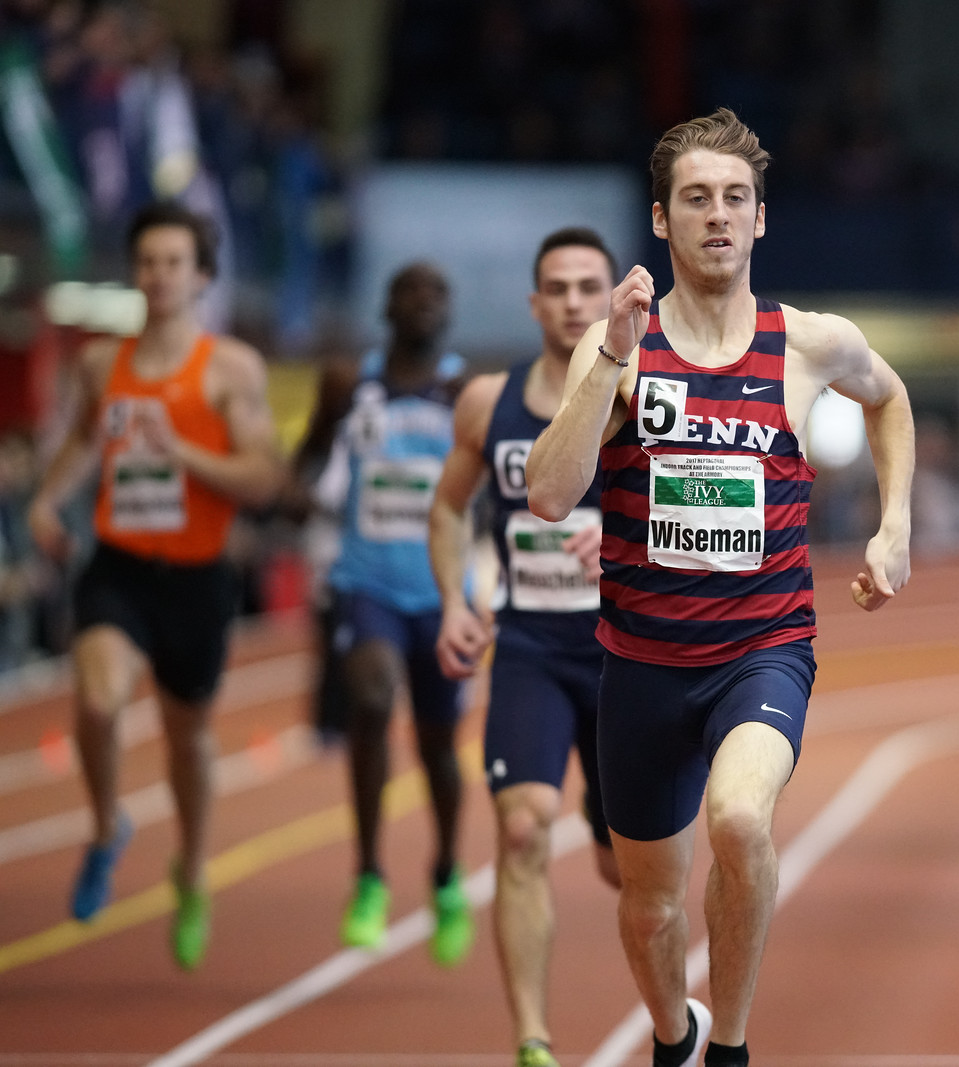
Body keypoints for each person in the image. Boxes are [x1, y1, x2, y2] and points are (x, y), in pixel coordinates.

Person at [523, 108, 915, 1067]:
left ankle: (729, 1049)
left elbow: (891, 399)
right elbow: (546, 493)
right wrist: (610, 354)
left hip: (762, 651)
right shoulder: (620, 348)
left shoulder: (810, 343)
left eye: (735, 198)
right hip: (642, 665)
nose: (718, 216)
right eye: (696, 199)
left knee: (740, 818)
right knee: (649, 902)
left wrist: (895, 523)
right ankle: (672, 1035)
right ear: (661, 220)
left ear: (761, 218)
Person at [26, 200, 285, 969]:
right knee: (99, 698)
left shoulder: (232, 368)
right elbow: (80, 440)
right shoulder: (100, 363)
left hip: (198, 580)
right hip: (120, 566)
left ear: (201, 276)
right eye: (148, 262)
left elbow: (264, 479)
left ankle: (193, 868)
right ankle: (108, 826)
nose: (159, 275)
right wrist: (46, 497)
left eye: (175, 262)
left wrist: (184, 454)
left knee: (187, 738)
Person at [429, 228, 622, 1067]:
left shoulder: (648, 397)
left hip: (629, 651)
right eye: (560, 287)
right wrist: (452, 602)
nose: (576, 301)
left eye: (591, 286)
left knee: (632, 870)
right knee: (520, 831)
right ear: (535, 303)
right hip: (533, 650)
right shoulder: (487, 402)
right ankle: (533, 1041)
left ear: (616, 297)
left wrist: (621, 532)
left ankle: (609, 819)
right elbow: (445, 507)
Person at [293, 262, 473, 965]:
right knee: (369, 697)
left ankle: (447, 873)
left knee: (437, 745)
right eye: (411, 292)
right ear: (388, 306)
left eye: (437, 292)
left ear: (449, 311)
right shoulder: (348, 384)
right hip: (365, 583)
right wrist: (296, 496)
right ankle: (369, 874)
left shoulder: (466, 393)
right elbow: (303, 461)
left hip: (441, 590)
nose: (425, 302)